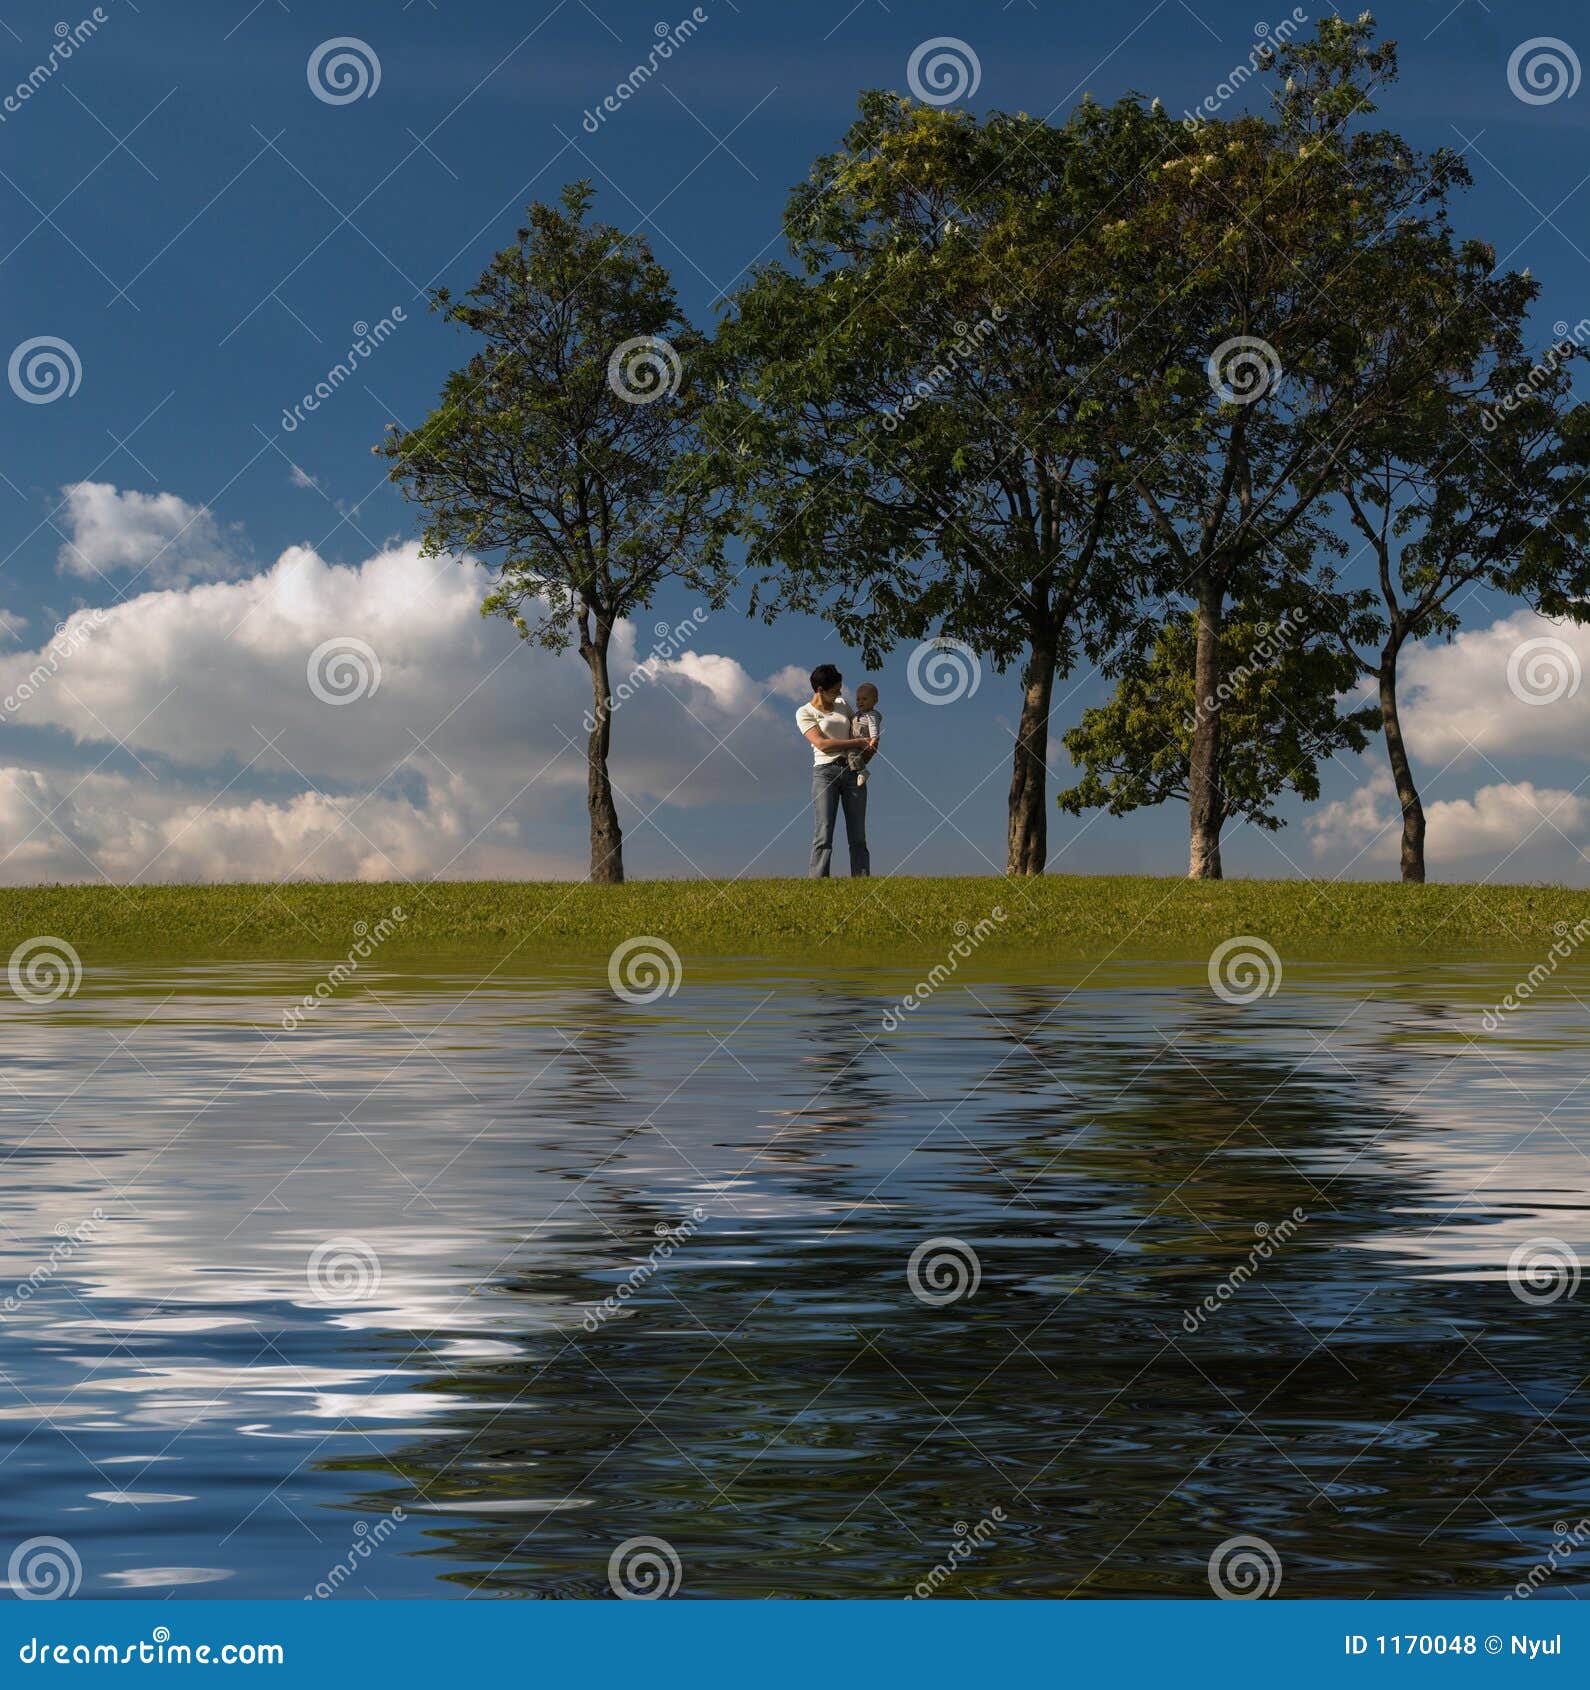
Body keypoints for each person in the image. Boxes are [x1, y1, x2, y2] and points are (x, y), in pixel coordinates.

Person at [795, 664, 874, 878]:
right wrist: (857, 742)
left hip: (852, 771)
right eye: (835, 690)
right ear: (820, 690)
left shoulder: (842, 704)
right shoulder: (805, 712)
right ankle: (818, 881)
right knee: (824, 832)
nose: (839, 692)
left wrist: (869, 747)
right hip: (825, 773)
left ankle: (861, 880)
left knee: (858, 833)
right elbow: (822, 744)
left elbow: (857, 726)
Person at [846, 683, 882, 787]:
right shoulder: (857, 714)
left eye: (864, 699)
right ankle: (857, 768)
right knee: (851, 754)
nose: (860, 702)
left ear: (875, 701)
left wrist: (874, 740)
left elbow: (873, 727)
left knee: (852, 754)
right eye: (858, 699)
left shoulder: (871, 715)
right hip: (854, 742)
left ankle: (862, 771)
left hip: (863, 743)